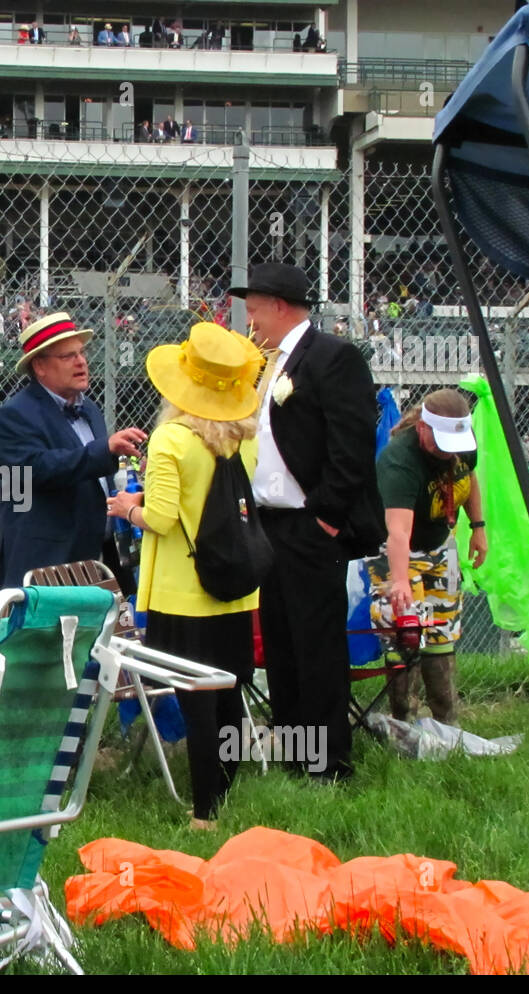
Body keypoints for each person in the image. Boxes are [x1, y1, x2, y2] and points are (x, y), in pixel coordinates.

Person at [107, 322, 265, 828]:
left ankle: (204, 812)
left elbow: (162, 518)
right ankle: (224, 791)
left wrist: (128, 508)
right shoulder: (246, 440)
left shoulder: (172, 439)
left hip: (183, 591)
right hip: (237, 591)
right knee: (229, 692)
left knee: (195, 698)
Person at [236, 262, 383, 782]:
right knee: (280, 641)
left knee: (316, 641)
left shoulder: (332, 357)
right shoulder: (263, 364)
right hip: (268, 523)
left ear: (279, 304)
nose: (249, 320)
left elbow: (353, 443)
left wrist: (326, 515)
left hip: (307, 521)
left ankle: (327, 761)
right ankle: (294, 749)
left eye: (254, 309)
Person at [0, 311, 148, 590]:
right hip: (47, 564)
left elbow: (95, 476)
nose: (81, 362)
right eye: (67, 356)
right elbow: (36, 469)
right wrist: (104, 449)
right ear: (40, 366)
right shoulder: (15, 414)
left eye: (82, 353)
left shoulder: (90, 410)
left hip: (99, 561)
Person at [367, 389, 486, 725]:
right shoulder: (398, 462)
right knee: (404, 633)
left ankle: (446, 724)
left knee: (441, 635)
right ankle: (404, 722)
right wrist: (400, 580)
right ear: (423, 428)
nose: (448, 452)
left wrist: (478, 527)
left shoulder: (462, 444)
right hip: (398, 550)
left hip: (439, 545)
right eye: (440, 442)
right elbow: (399, 531)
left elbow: (469, 478)